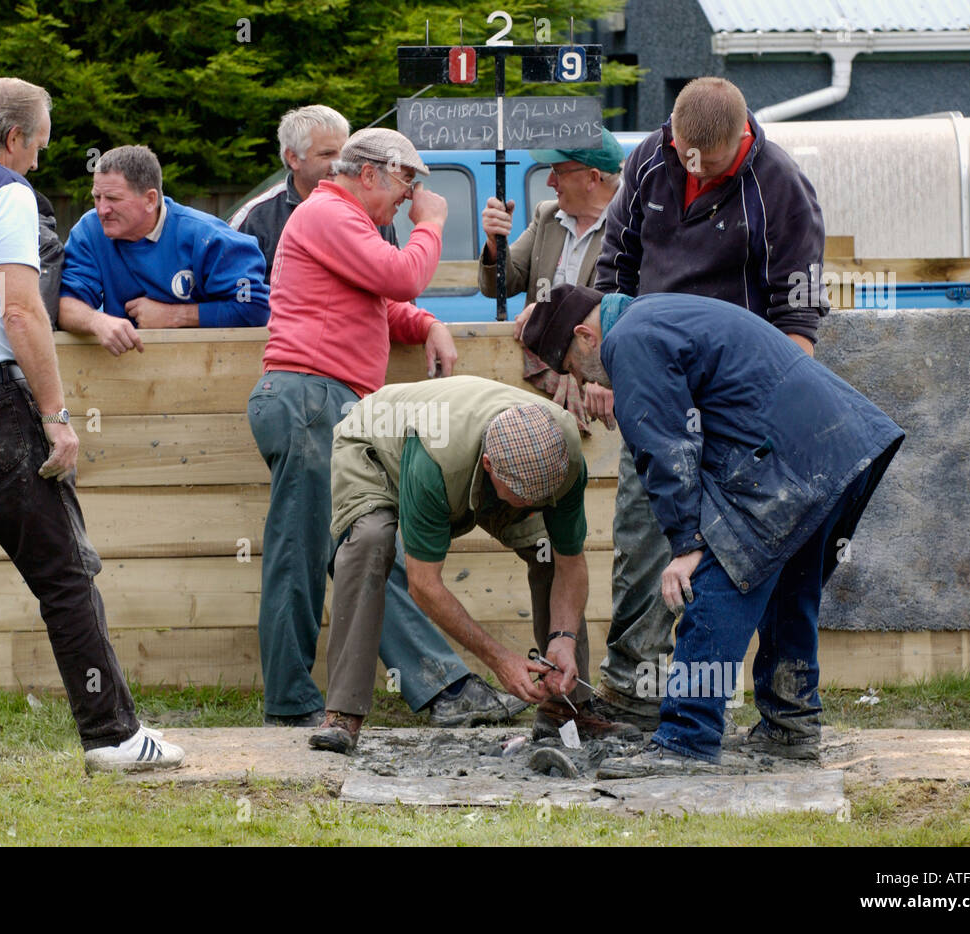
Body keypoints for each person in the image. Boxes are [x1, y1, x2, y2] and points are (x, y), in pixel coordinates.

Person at [0, 77, 184, 789]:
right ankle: (112, 737)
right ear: (14, 138)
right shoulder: (5, 194)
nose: (40, 162)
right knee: (65, 573)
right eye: (39, 146)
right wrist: (55, 416)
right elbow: (21, 313)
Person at [522, 285, 902, 773]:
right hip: (840, 445)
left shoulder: (629, 340)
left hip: (789, 455)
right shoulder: (655, 315)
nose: (578, 376)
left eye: (571, 365)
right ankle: (791, 726)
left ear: (585, 335)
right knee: (790, 590)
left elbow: (666, 447)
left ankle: (687, 737)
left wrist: (688, 543)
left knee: (718, 579)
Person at [571, 77, 831, 733]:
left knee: (759, 555)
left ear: (739, 140)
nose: (693, 167)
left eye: (707, 161)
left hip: (737, 398)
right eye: (685, 153)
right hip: (655, 383)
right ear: (673, 137)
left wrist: (781, 414)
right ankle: (632, 695)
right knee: (642, 536)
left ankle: (784, 714)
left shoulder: (781, 185)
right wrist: (610, 362)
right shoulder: (648, 162)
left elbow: (796, 312)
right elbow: (615, 269)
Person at [250, 128, 525, 729]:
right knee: (318, 553)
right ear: (370, 172)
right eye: (407, 181)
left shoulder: (340, 219)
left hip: (318, 403)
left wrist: (427, 324)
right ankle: (308, 704)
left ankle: (430, 688)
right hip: (311, 400)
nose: (411, 196)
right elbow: (401, 276)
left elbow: (385, 300)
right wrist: (435, 221)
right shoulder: (331, 212)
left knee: (359, 549)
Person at [310, 375, 643, 753]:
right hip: (377, 441)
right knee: (370, 542)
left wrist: (562, 638)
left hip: (479, 451)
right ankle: (342, 715)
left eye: (541, 498)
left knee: (547, 548)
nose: (535, 507)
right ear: (489, 467)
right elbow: (423, 584)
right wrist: (499, 660)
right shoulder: (434, 465)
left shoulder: (562, 457)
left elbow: (571, 563)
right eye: (523, 498)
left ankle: (566, 710)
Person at [58, 145, 269, 355]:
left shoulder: (208, 239)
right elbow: (65, 305)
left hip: (203, 369)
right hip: (119, 373)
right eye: (97, 197)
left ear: (150, 200)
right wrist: (97, 321)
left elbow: (256, 307)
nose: (102, 209)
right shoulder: (89, 231)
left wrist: (176, 316)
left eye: (113, 199)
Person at [480, 129, 623, 433]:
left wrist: (545, 309)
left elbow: (625, 305)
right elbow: (500, 285)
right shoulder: (547, 215)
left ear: (592, 177)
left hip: (602, 385)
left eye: (558, 172)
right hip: (540, 391)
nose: (549, 182)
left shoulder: (632, 226)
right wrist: (495, 243)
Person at [229, 105, 400, 280]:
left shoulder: (374, 210)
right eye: (327, 154)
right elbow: (236, 297)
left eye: (346, 153)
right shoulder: (255, 220)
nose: (340, 163)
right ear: (293, 157)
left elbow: (398, 289)